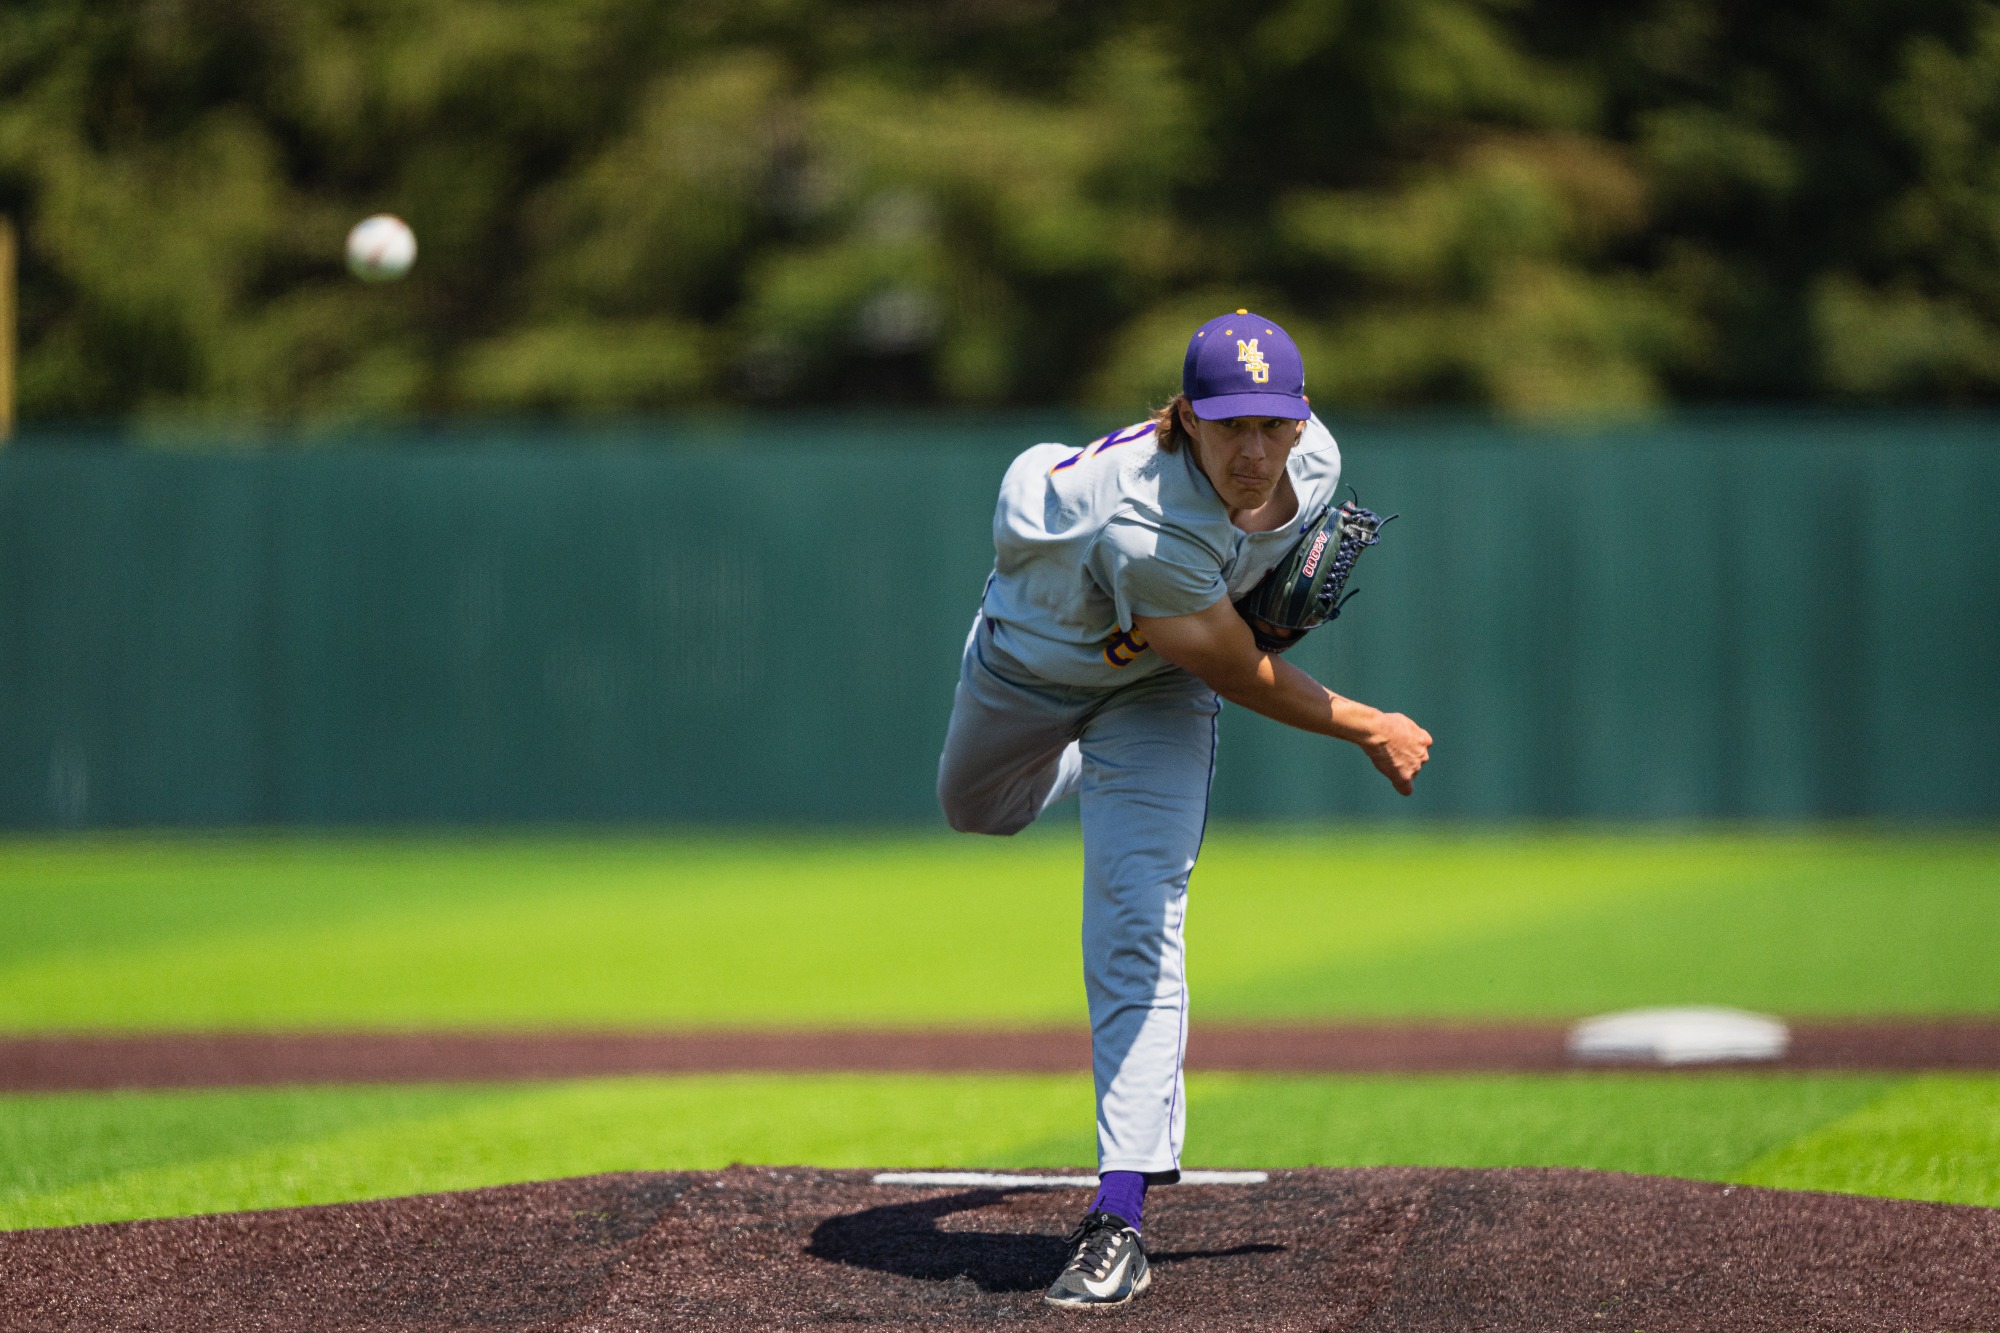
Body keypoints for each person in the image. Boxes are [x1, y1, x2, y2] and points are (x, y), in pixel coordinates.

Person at [934, 310, 1433, 1311]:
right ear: (1182, 419)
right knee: (977, 810)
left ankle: (1117, 1215)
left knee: (1138, 921)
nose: (1252, 450)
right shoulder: (1138, 519)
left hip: (1154, 691)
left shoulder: (1314, 461)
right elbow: (1237, 666)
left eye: (1272, 423)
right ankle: (1075, 767)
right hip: (1031, 659)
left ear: (1300, 419)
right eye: (1226, 425)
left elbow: (1199, 659)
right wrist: (1369, 722)